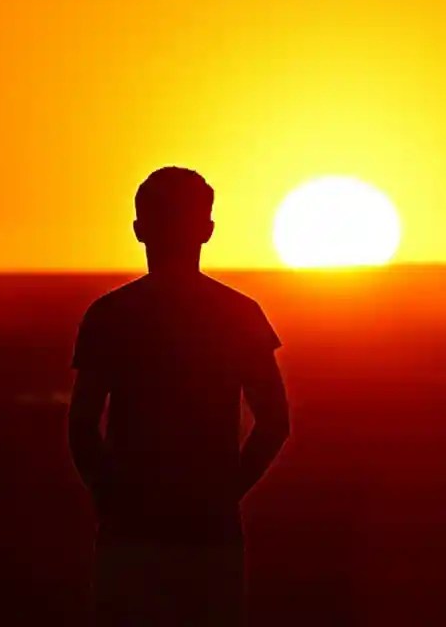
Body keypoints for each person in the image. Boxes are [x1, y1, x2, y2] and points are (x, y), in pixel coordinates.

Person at [68, 167, 290, 626]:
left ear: (138, 230)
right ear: (207, 229)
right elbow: (274, 421)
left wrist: (112, 495)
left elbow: (82, 426)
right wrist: (226, 491)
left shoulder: (109, 315)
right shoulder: (239, 314)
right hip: (203, 532)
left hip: (135, 531)